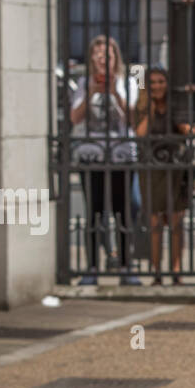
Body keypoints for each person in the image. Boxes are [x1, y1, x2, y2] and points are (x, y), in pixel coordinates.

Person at [69, 34, 140, 286]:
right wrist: (91, 92)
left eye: (107, 55)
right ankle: (92, 268)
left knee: (123, 213)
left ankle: (125, 267)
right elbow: (75, 118)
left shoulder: (128, 82)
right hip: (92, 157)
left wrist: (114, 93)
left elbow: (132, 120)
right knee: (95, 214)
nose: (102, 60)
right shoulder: (83, 83)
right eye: (98, 56)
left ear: (115, 58)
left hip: (121, 156)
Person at [132, 65, 195, 285]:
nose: (157, 86)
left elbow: (190, 131)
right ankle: (156, 271)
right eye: (153, 82)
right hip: (152, 170)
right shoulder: (141, 106)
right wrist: (150, 107)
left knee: (177, 222)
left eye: (161, 81)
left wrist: (182, 123)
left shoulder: (176, 106)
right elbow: (140, 133)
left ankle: (176, 270)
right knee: (155, 222)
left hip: (175, 168)